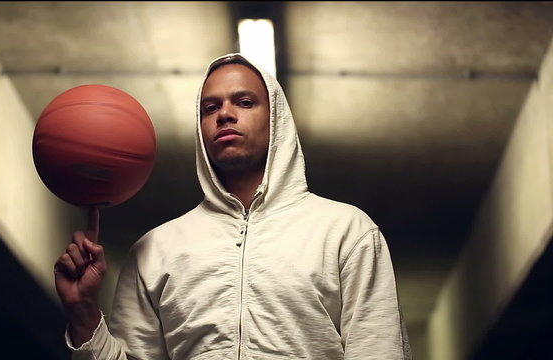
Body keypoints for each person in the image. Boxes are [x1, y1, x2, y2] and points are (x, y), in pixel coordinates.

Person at [54, 53, 412, 359]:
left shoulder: (346, 232)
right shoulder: (155, 249)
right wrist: (84, 312)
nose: (224, 114)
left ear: (277, 121)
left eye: (244, 102)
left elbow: (379, 349)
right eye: (211, 107)